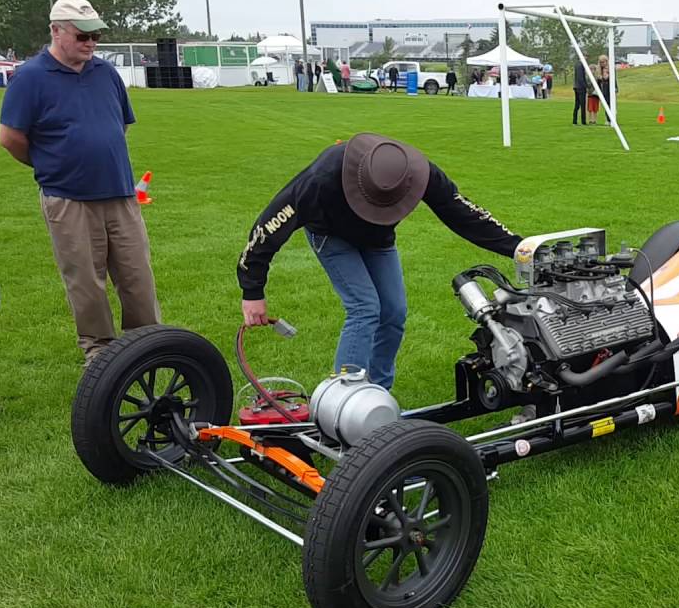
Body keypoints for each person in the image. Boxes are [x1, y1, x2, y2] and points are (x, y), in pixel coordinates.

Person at [237, 134, 523, 389]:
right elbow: (268, 228)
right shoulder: (321, 178)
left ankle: (377, 394)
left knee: (394, 312)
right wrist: (252, 291)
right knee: (365, 308)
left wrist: (518, 247)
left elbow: (463, 213)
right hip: (331, 235)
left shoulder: (417, 172)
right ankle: (344, 400)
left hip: (377, 239)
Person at [0, 0, 161, 365]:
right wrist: (53, 165)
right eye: (82, 36)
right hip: (68, 198)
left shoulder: (106, 73)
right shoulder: (30, 77)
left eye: (96, 37)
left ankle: (146, 347)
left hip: (119, 193)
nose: (90, 43)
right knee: (86, 283)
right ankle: (100, 356)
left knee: (138, 277)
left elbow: (119, 126)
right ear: (56, 31)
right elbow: (10, 138)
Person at [596, 54, 613, 122]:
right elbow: (599, 81)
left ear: (606, 61)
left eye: (603, 62)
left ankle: (611, 119)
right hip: (604, 89)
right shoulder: (600, 70)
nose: (602, 63)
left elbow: (611, 79)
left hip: (610, 89)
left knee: (610, 104)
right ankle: (608, 119)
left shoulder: (610, 69)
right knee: (606, 105)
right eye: (601, 62)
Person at [572, 60, 588, 125]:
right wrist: (585, 86)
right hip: (580, 87)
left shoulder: (577, 64)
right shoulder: (580, 65)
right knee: (582, 105)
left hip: (577, 86)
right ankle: (583, 121)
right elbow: (581, 77)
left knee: (577, 105)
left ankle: (575, 121)